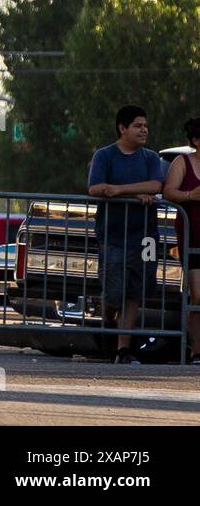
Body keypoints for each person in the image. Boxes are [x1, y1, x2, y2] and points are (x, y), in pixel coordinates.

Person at [88, 104, 166, 365]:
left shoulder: (151, 158)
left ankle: (123, 348)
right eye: (137, 126)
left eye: (145, 125)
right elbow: (96, 188)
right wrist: (134, 193)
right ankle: (107, 321)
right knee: (113, 293)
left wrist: (121, 190)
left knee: (135, 292)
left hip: (145, 237)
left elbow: (156, 185)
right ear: (123, 128)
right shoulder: (105, 156)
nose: (143, 130)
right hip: (113, 234)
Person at [162, 117, 200, 365]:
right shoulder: (182, 162)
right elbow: (168, 192)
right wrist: (190, 195)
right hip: (194, 235)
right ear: (196, 140)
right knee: (198, 295)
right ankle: (197, 350)